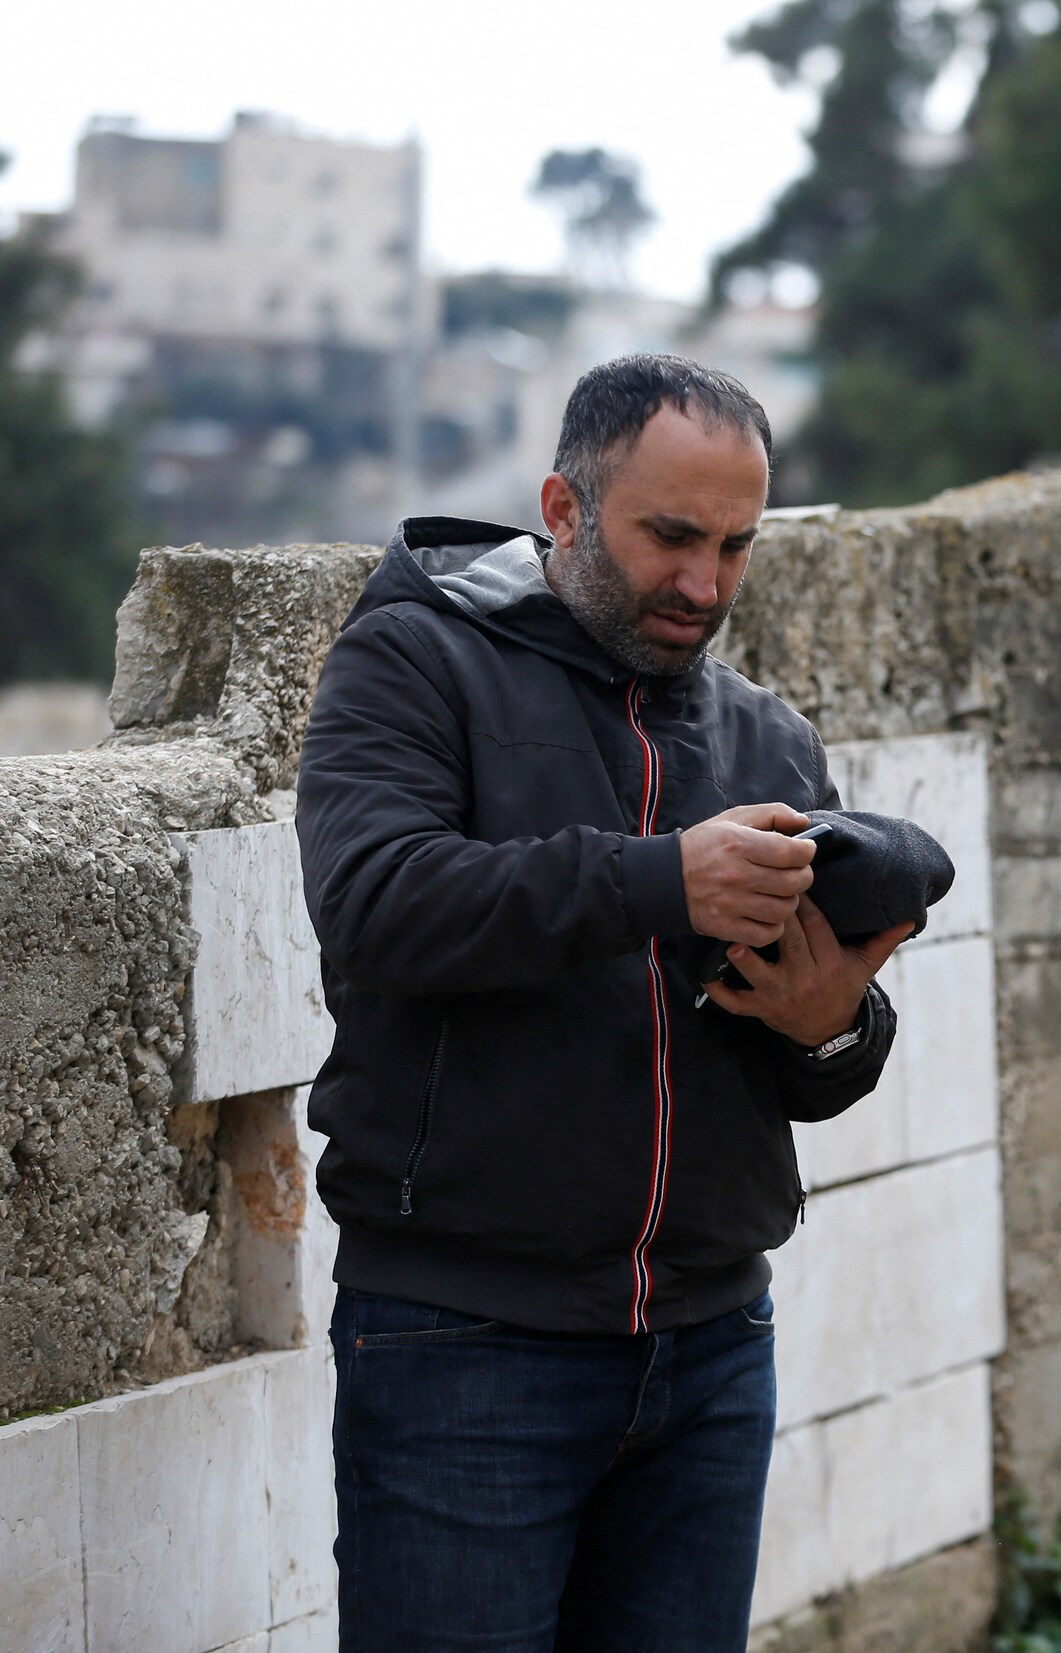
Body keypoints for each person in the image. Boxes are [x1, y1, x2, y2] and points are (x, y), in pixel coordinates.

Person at [296, 354, 905, 1650]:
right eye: (672, 536)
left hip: (714, 1339)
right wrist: (659, 879)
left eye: (737, 546)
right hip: (465, 1344)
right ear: (562, 511)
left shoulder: (770, 738)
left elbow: (815, 1066)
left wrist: (831, 1021)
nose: (706, 584)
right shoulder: (411, 660)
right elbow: (377, 904)